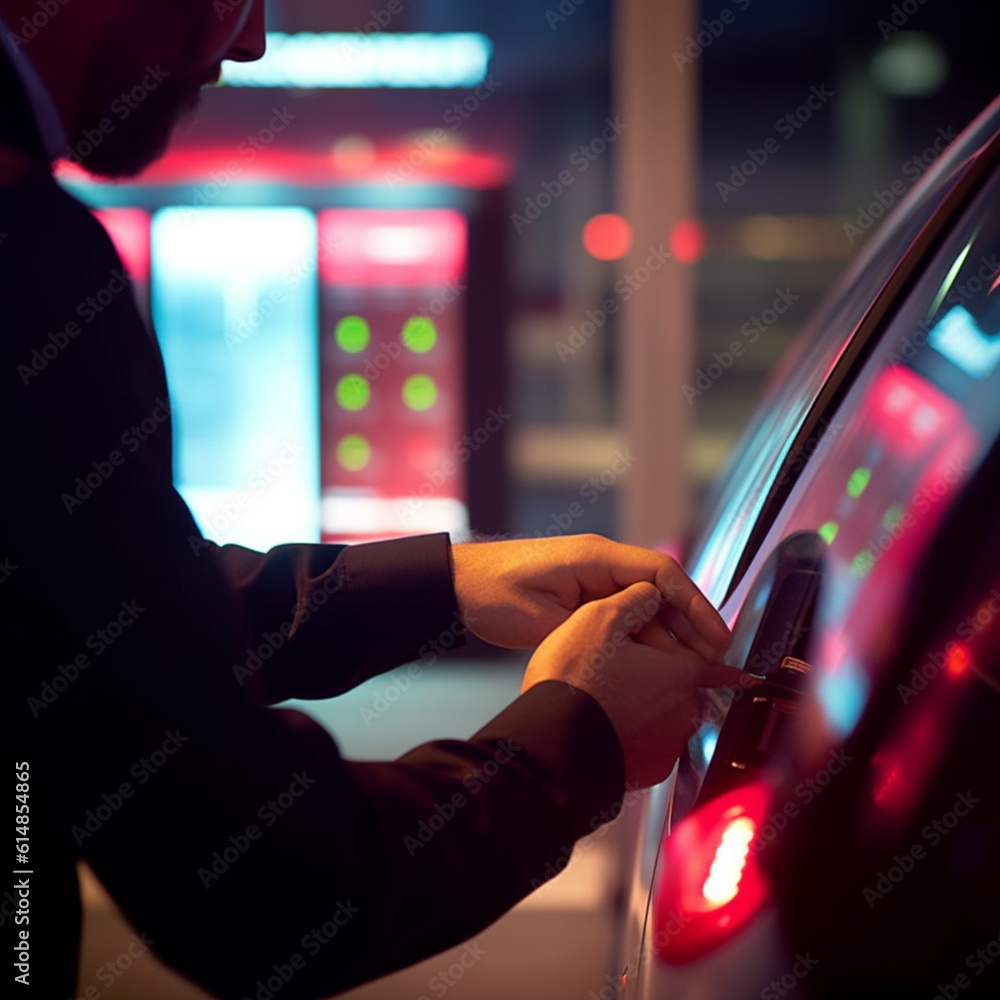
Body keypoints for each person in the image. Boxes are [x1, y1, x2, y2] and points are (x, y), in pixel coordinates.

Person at [1, 3, 740, 998]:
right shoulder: (27, 257)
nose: (252, 37)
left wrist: (439, 585)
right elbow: (265, 886)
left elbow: (75, 608)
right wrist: (573, 745)